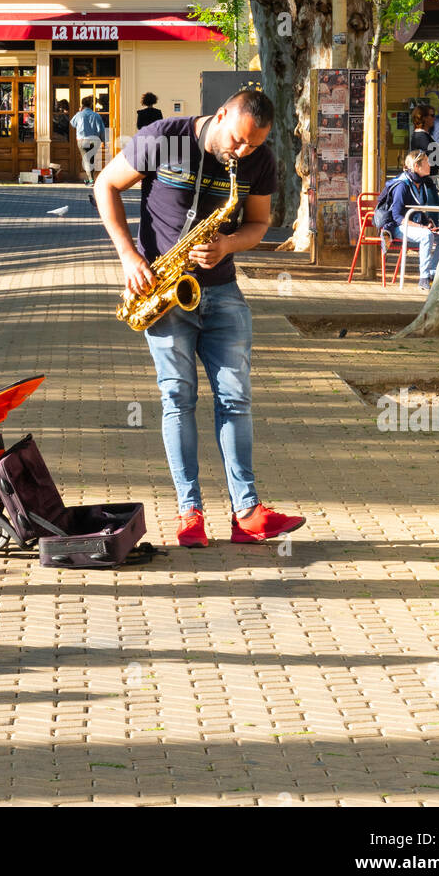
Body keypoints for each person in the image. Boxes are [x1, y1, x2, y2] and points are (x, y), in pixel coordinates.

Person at [94, 88, 306, 548]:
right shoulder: (162, 137)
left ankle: (247, 513)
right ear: (223, 112)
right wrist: (129, 256)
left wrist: (228, 244)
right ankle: (190, 513)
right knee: (179, 400)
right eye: (238, 140)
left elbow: (258, 223)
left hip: (222, 291)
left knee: (236, 400)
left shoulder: (258, 159)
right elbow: (105, 185)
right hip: (165, 294)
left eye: (254, 145)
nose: (243, 151)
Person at [388, 149, 439, 292]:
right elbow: (397, 216)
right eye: (426, 162)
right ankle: (423, 277)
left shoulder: (421, 184)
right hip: (398, 227)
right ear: (416, 167)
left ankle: (432, 272)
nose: (429, 165)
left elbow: (419, 210)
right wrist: (422, 228)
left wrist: (428, 224)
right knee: (426, 235)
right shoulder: (402, 185)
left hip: (413, 225)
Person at [70, 95, 106, 185]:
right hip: (94, 140)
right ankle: (91, 178)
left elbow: (73, 124)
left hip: (82, 140)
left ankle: (90, 180)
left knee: (87, 159)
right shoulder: (96, 115)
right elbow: (101, 130)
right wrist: (103, 141)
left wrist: (79, 112)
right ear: (91, 105)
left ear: (82, 105)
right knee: (91, 159)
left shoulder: (79, 114)